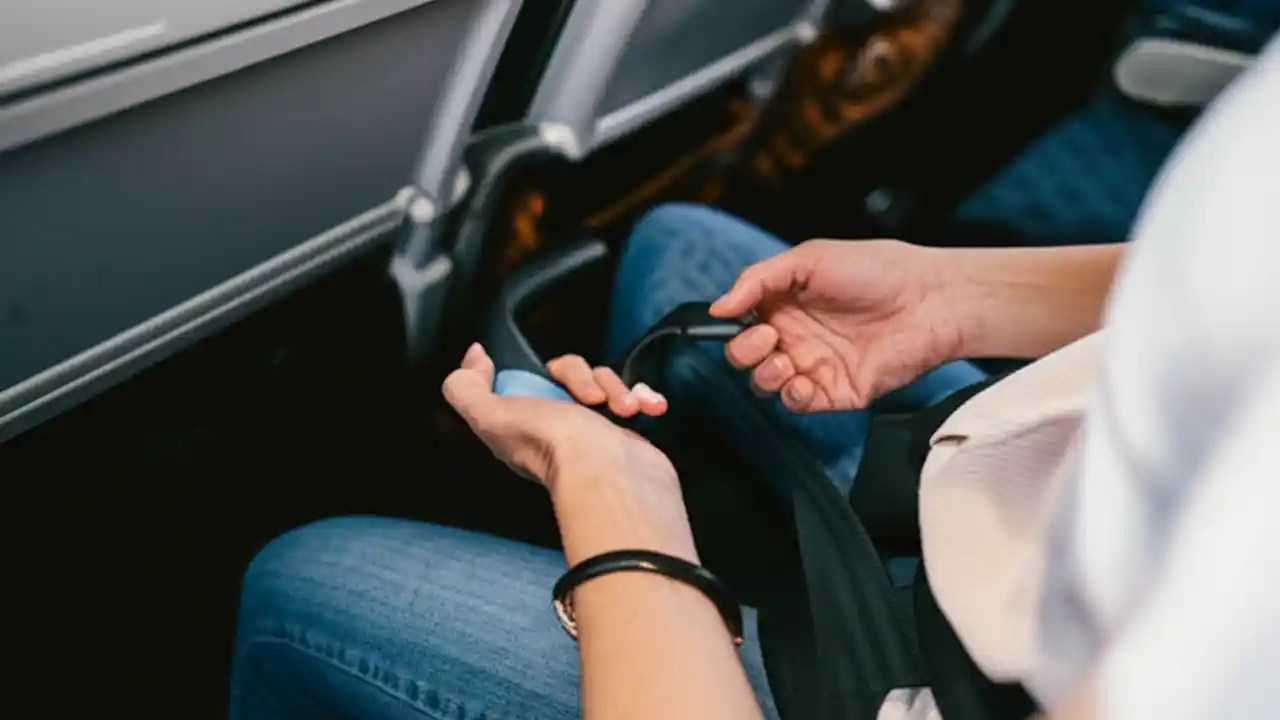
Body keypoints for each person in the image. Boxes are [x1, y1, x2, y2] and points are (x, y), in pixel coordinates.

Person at [229, 40, 1279, 720]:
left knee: (298, 583)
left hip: (934, 687)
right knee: (684, 253)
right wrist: (953, 298)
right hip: (1018, 484)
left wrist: (620, 502)